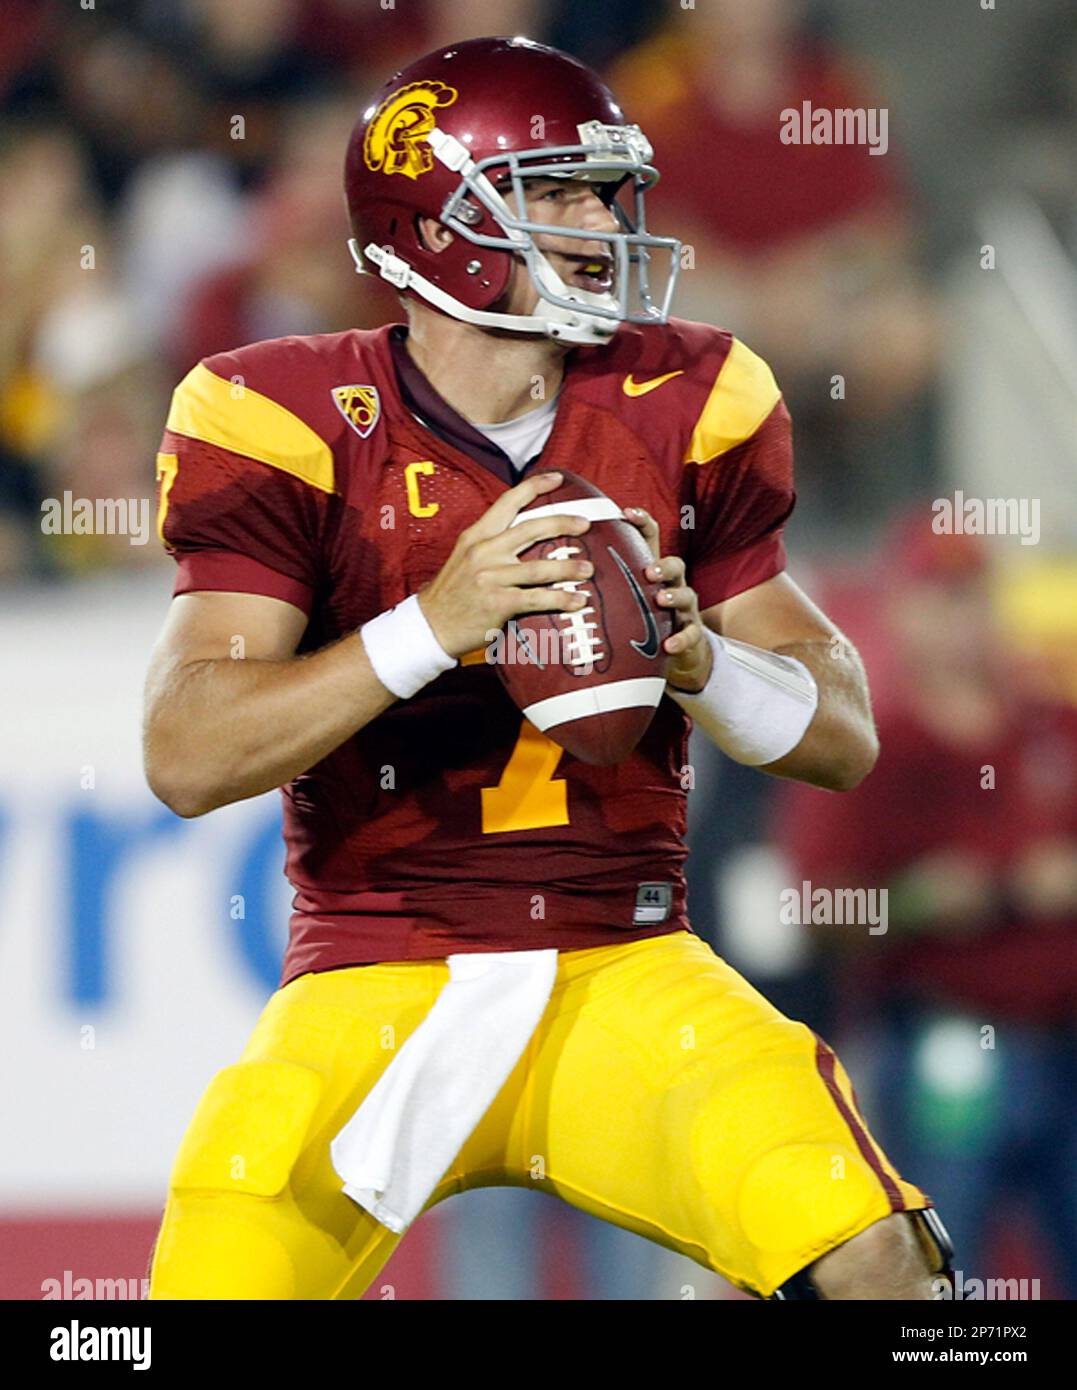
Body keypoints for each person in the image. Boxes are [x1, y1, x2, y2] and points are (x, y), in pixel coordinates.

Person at [142, 36, 952, 1301]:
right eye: (555, 191)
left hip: (627, 965)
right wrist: (434, 622)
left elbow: (843, 733)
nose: (602, 220)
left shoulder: (686, 394)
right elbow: (186, 754)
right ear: (438, 222)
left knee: (879, 1261)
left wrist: (702, 664)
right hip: (375, 972)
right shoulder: (287, 418)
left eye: (605, 188)